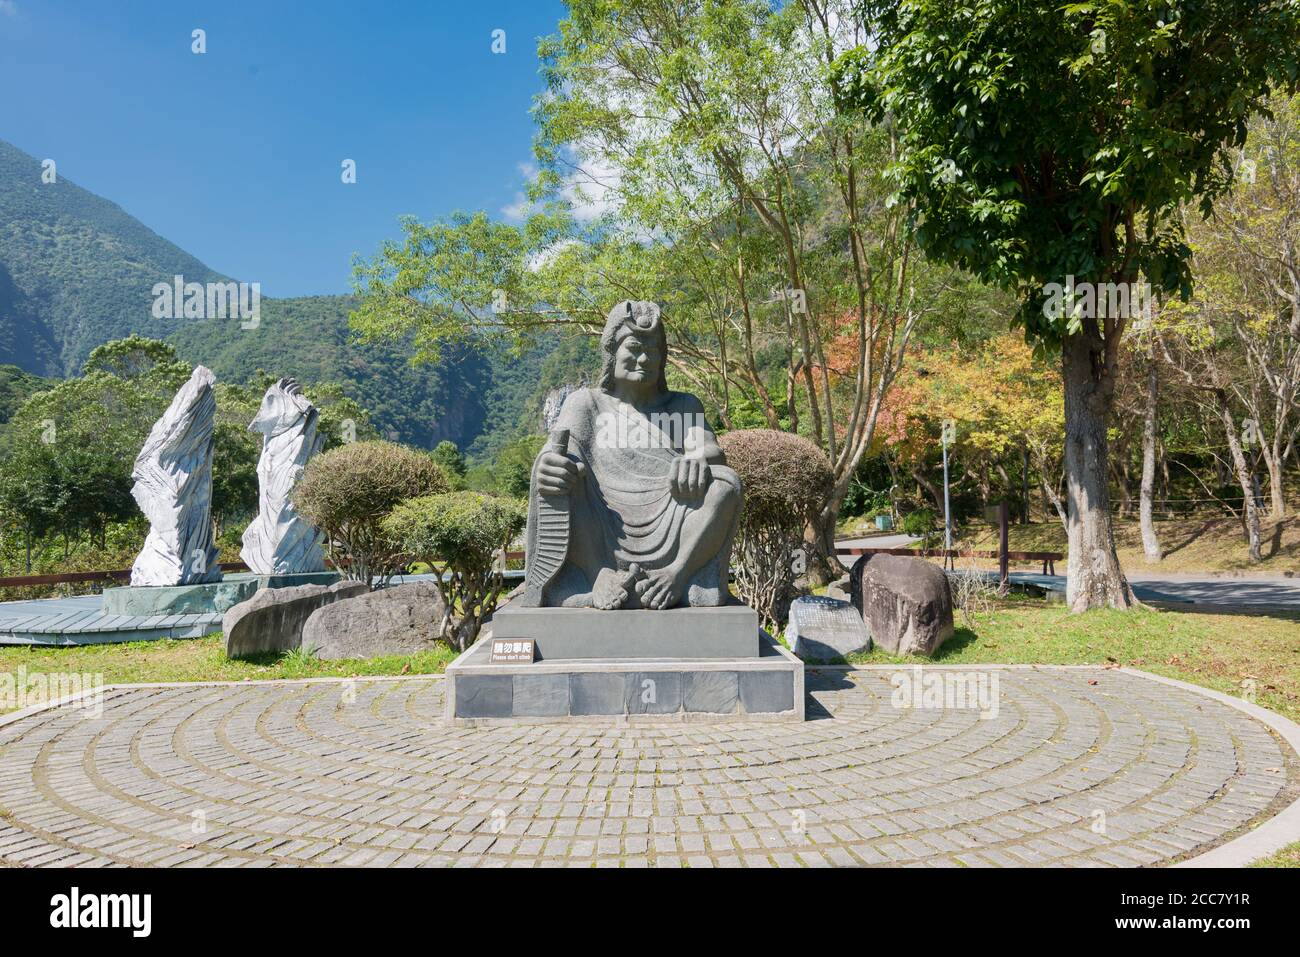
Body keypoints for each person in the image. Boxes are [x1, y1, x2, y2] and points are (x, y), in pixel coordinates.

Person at [525, 300, 742, 609]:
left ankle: (675, 577)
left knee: (725, 484)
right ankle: (598, 576)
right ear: (612, 353)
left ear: (663, 358)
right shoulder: (585, 403)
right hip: (601, 526)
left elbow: (708, 449)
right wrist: (550, 466)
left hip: (671, 518)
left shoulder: (683, 406)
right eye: (634, 348)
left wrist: (698, 462)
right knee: (565, 478)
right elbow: (560, 450)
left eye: (653, 350)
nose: (644, 358)